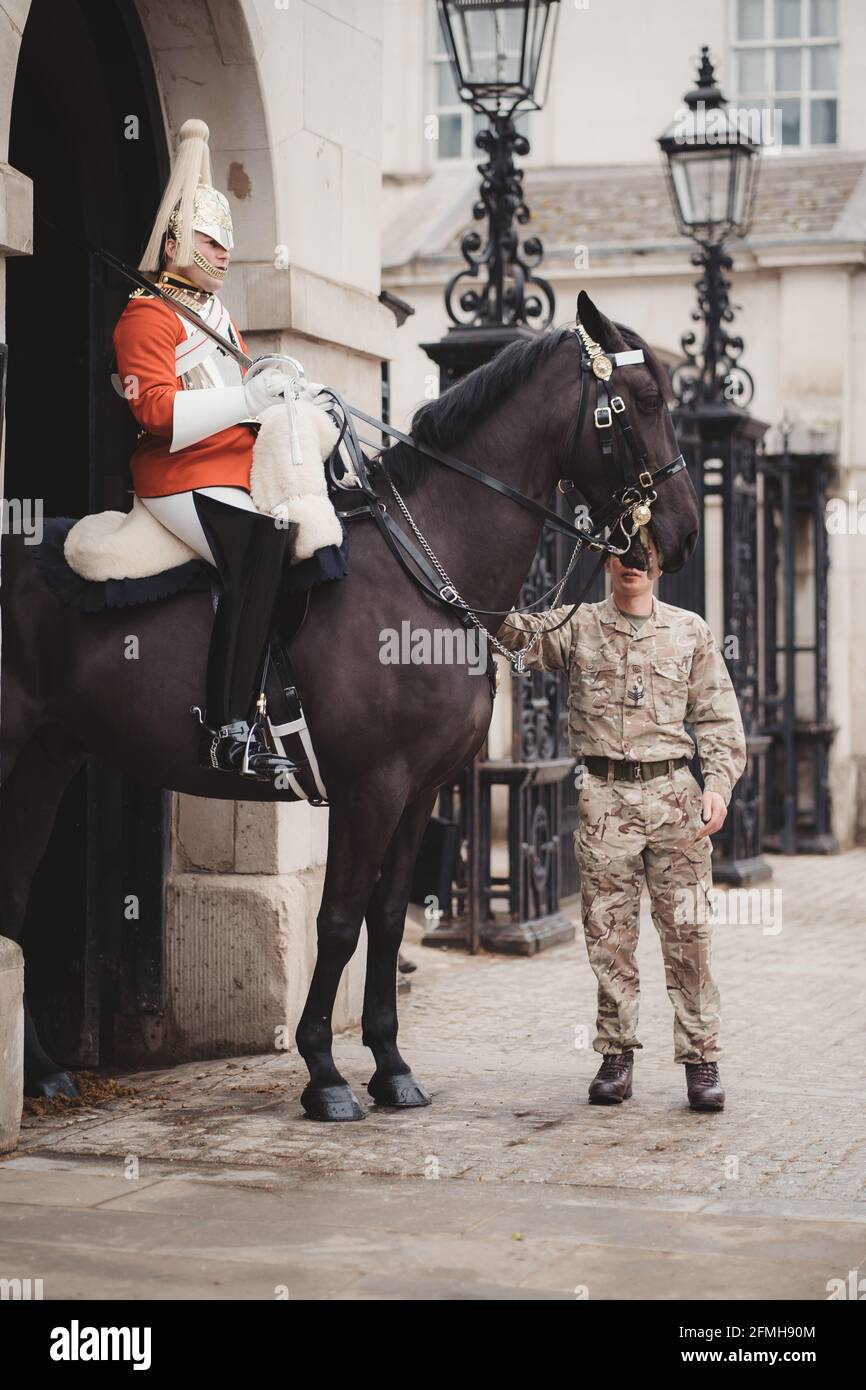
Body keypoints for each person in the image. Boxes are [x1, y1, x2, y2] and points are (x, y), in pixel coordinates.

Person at [496, 531, 747, 1112]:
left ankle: (702, 1060)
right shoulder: (578, 626)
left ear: (661, 565)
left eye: (646, 554)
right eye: (624, 552)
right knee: (609, 936)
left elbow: (718, 719)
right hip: (604, 798)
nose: (635, 562)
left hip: (676, 800)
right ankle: (616, 1054)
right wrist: (492, 554)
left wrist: (718, 787)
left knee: (688, 936)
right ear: (607, 560)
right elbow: (508, 630)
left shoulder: (690, 630)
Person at [113, 118, 317, 779]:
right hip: (176, 474)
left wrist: (288, 391)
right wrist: (254, 399)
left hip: (235, 469)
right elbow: (158, 413)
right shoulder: (145, 315)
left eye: (227, 241)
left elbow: (247, 388)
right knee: (260, 549)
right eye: (208, 238)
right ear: (174, 242)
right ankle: (228, 728)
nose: (224, 252)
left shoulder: (217, 317)